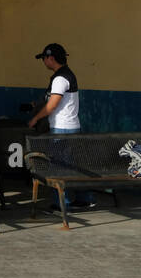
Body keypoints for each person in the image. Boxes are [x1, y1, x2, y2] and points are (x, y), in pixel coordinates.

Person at [28, 42, 94, 211]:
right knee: (73, 165)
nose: (43, 62)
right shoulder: (67, 75)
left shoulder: (60, 78)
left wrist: (36, 118)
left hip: (62, 128)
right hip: (72, 126)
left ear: (51, 58)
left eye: (44, 58)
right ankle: (84, 198)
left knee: (57, 167)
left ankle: (61, 204)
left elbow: (52, 106)